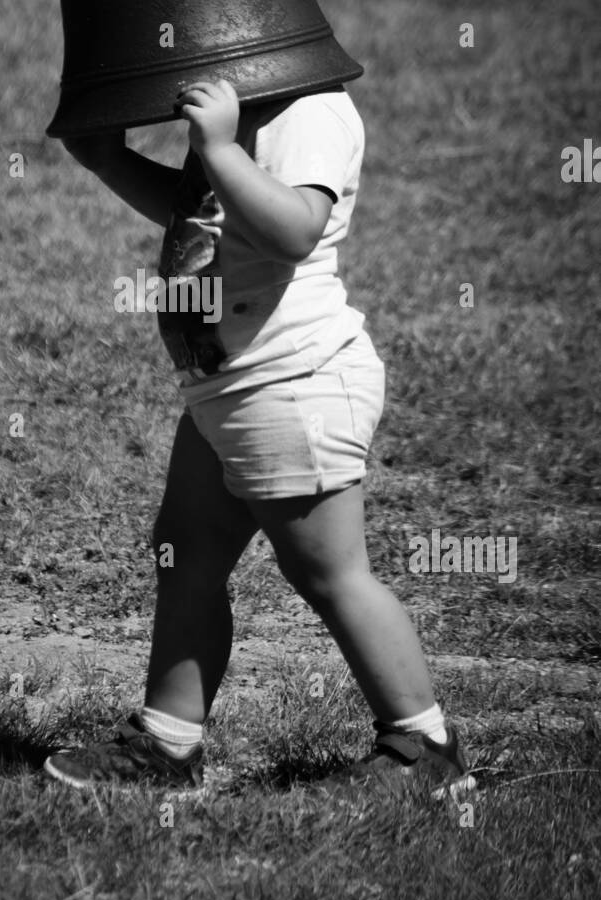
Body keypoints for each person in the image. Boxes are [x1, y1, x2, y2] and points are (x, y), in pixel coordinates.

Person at [44, 76, 474, 800]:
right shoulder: (247, 105)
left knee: (329, 573)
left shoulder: (307, 109)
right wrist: (109, 161)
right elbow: (209, 217)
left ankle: (425, 749)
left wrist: (216, 143)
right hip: (230, 389)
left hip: (292, 384)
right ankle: (169, 745)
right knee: (187, 556)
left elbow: (293, 228)